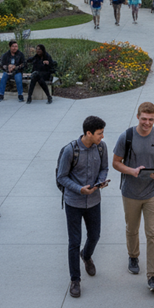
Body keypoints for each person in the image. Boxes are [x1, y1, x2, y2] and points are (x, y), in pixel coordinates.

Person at [112, 102, 154, 293]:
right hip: (131, 192)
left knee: (153, 234)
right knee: (132, 228)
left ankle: (153, 275)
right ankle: (133, 255)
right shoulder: (127, 137)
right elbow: (115, 162)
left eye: (150, 119)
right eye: (144, 119)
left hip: (153, 191)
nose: (147, 123)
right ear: (137, 117)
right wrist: (132, 171)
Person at [57, 115, 109, 298]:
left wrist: (101, 181)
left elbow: (104, 168)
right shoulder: (70, 151)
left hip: (94, 200)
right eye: (99, 133)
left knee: (95, 235)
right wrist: (79, 189)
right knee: (74, 241)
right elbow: (61, 177)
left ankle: (86, 256)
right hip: (74, 202)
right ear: (88, 133)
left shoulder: (101, 147)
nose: (102, 136)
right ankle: (75, 280)